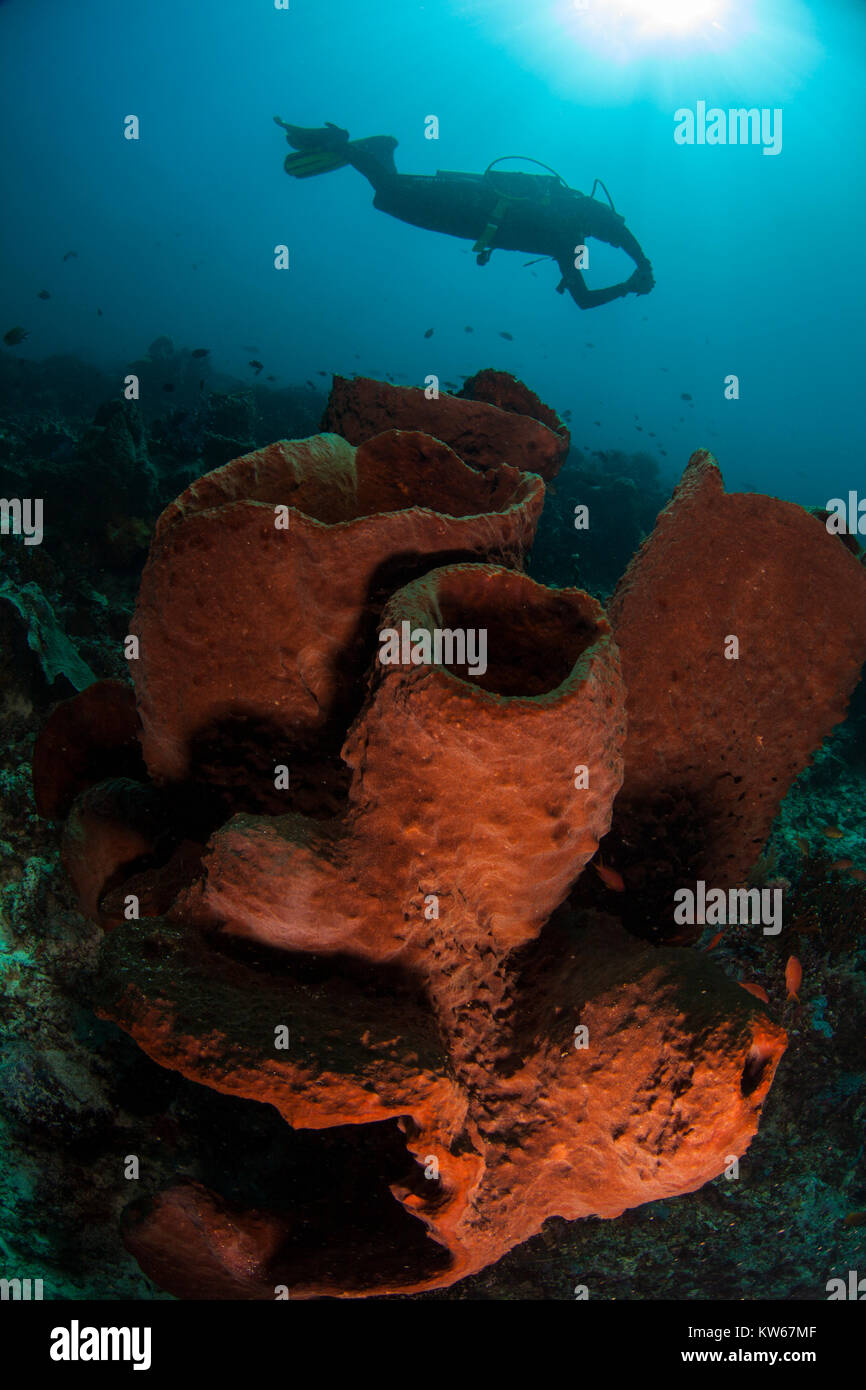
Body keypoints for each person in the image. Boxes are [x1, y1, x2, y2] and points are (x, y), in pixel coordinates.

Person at [274, 119, 655, 310]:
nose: (608, 237)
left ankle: (380, 150)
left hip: (470, 203)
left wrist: (642, 265)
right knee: (392, 194)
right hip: (468, 212)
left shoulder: (570, 221)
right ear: (598, 225)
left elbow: (620, 234)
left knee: (392, 195)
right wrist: (631, 282)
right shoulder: (570, 235)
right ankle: (345, 145)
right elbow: (585, 299)